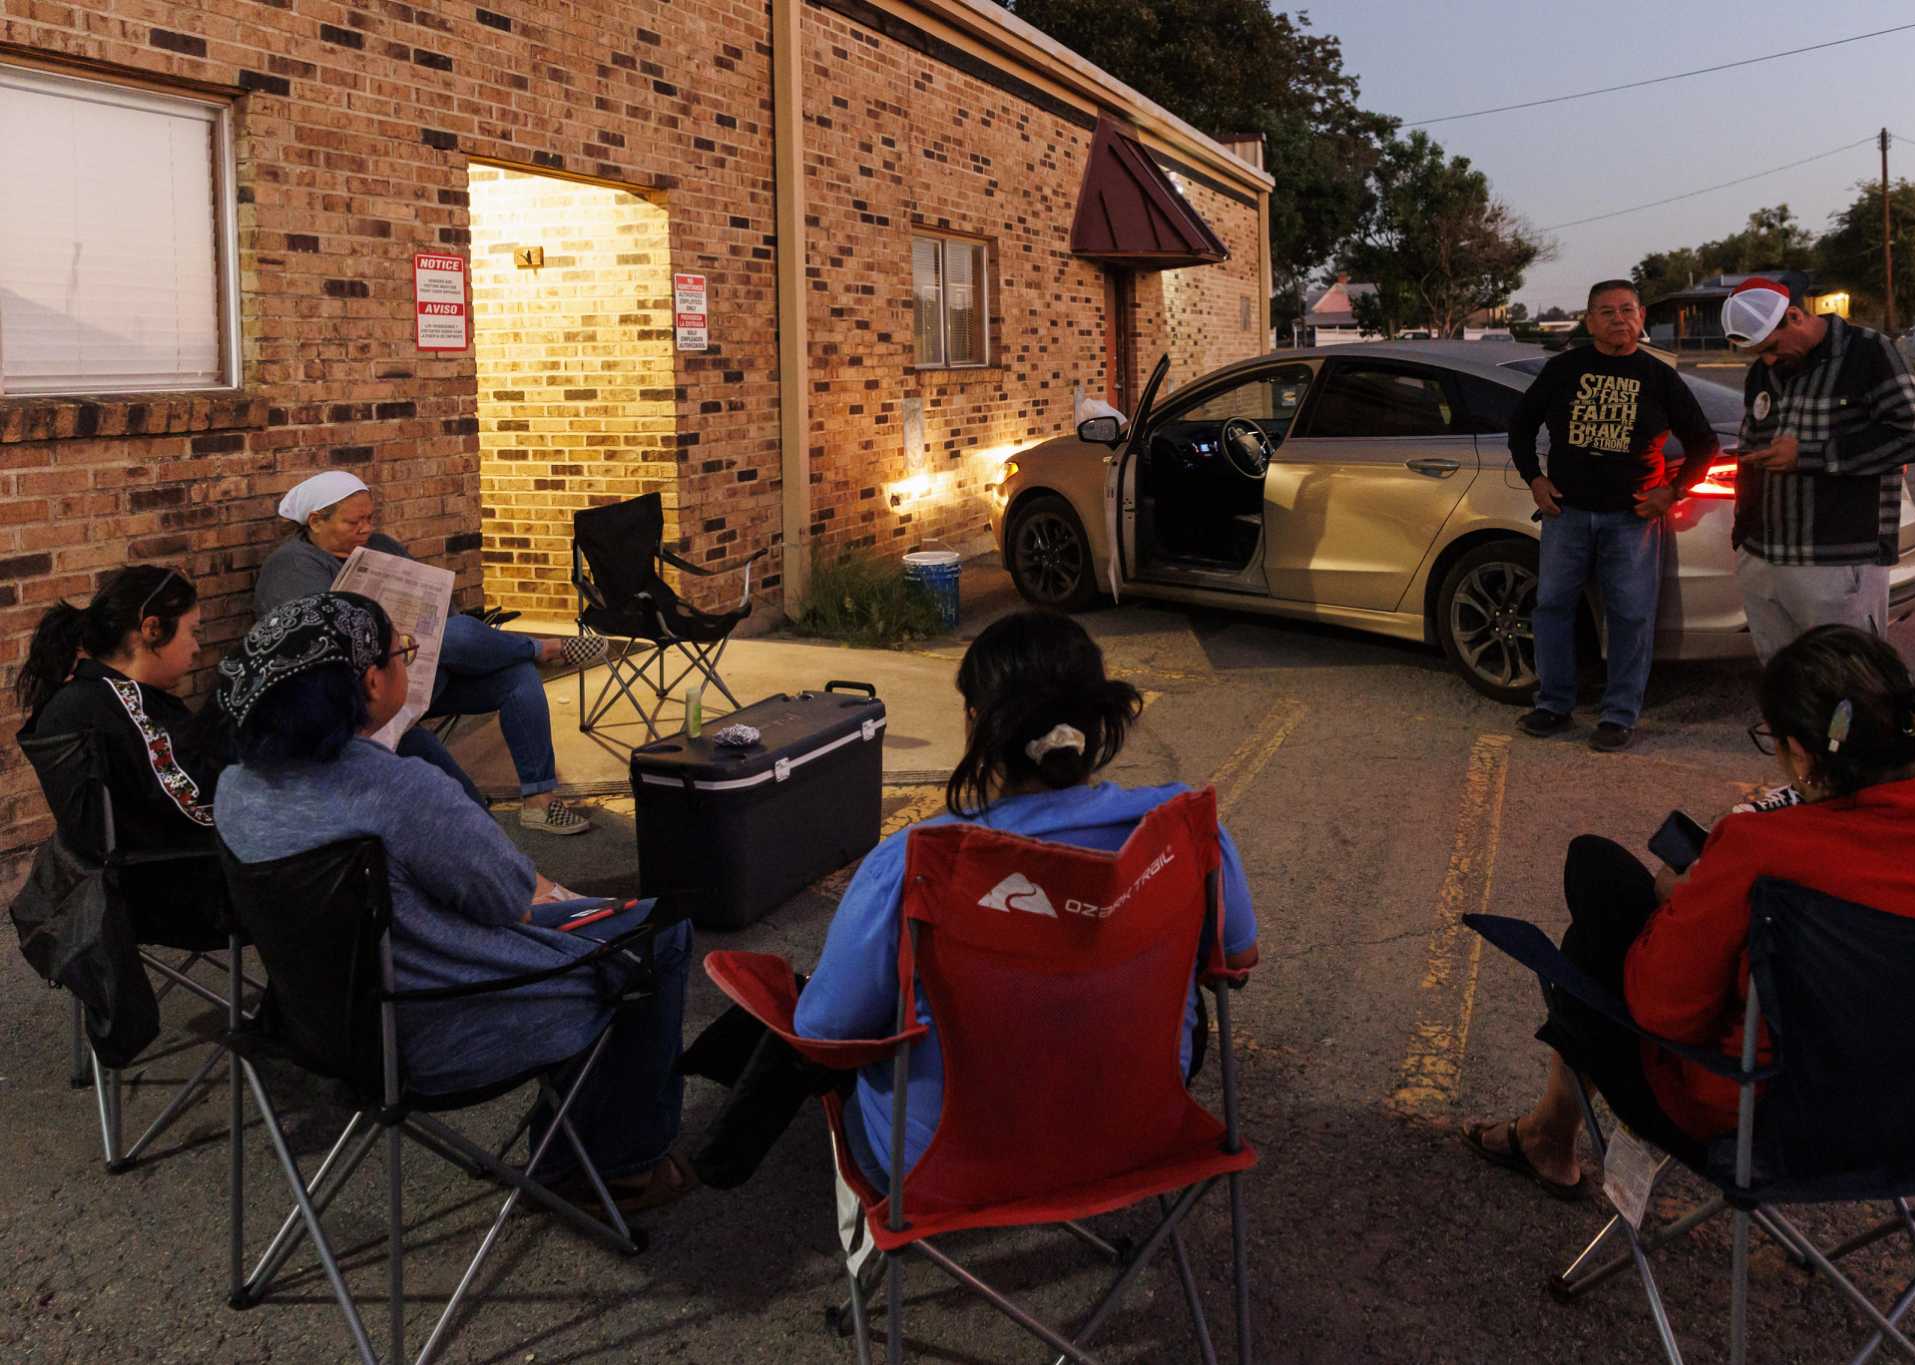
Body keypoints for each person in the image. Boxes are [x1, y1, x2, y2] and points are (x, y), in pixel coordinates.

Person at [679, 608, 1261, 1198]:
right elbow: (1235, 960)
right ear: (1095, 720)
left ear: (979, 724)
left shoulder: (918, 862)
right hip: (1142, 1136)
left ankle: (722, 1170)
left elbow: (829, 1028)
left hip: (947, 1165)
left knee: (825, 1015)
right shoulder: (1184, 831)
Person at [1462, 626, 1915, 1197]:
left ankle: (1548, 1133)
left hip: (1765, 1131)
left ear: (1801, 753)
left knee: (1599, 883)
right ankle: (1547, 1132)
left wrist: (1689, 899)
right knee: (1606, 885)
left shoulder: (1763, 852)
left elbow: (1663, 1014)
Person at [211, 592, 693, 1214]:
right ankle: (617, 1168)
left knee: (603, 930)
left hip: (319, 1029)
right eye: (400, 653)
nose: (408, 665)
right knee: (658, 937)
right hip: (441, 1028)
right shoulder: (399, 789)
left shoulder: (235, 788)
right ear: (369, 681)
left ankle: (572, 1146)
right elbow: (505, 898)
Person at [256, 470, 606, 834]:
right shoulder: (293, 564)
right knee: (458, 637)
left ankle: (539, 800)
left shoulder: (379, 544)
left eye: (369, 518)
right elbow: (323, 641)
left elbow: (436, 605)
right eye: (352, 521)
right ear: (315, 521)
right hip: (368, 692)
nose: (364, 528)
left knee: (513, 674)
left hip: (422, 674)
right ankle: (538, 647)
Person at [1509, 280, 1721, 753]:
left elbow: (1705, 444)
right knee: (1552, 609)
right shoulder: (1563, 369)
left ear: (1641, 317)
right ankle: (1554, 704)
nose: (1617, 319)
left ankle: (1619, 715)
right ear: (1589, 321)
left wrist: (1672, 492)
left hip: (1632, 519)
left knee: (1629, 616)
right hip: (1566, 513)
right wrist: (1534, 479)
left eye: (1627, 310)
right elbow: (1520, 427)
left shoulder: (1658, 376)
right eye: (1605, 311)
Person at [1720, 277, 1915, 661]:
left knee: (1847, 683)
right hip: (1762, 558)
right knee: (1785, 684)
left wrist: (1809, 456)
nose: (1768, 360)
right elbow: (1754, 450)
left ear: (1795, 316)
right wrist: (1744, 537)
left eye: (1771, 347)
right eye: (1757, 353)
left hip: (1837, 558)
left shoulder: (1868, 352)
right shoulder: (1764, 371)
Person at [15, 565, 229, 937]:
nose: (197, 647)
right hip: (171, 893)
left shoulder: (97, 693)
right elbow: (195, 806)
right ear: (151, 629)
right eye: (192, 632)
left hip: (140, 880)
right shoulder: (119, 705)